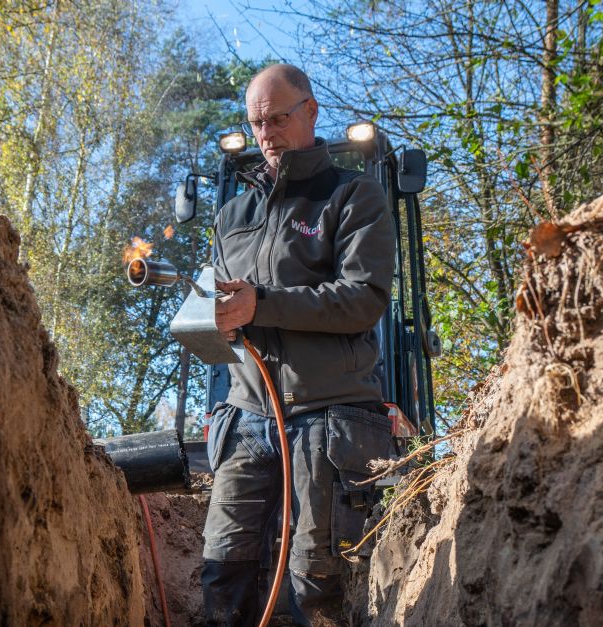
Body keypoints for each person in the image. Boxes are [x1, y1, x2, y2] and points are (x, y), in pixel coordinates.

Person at [202, 63, 396, 626]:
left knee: (317, 581)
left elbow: (362, 298)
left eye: (277, 118)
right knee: (221, 573)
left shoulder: (351, 196)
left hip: (326, 415)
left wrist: (261, 302)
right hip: (245, 418)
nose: (266, 133)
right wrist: (212, 318)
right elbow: (222, 298)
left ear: (310, 112)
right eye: (257, 122)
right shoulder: (231, 216)